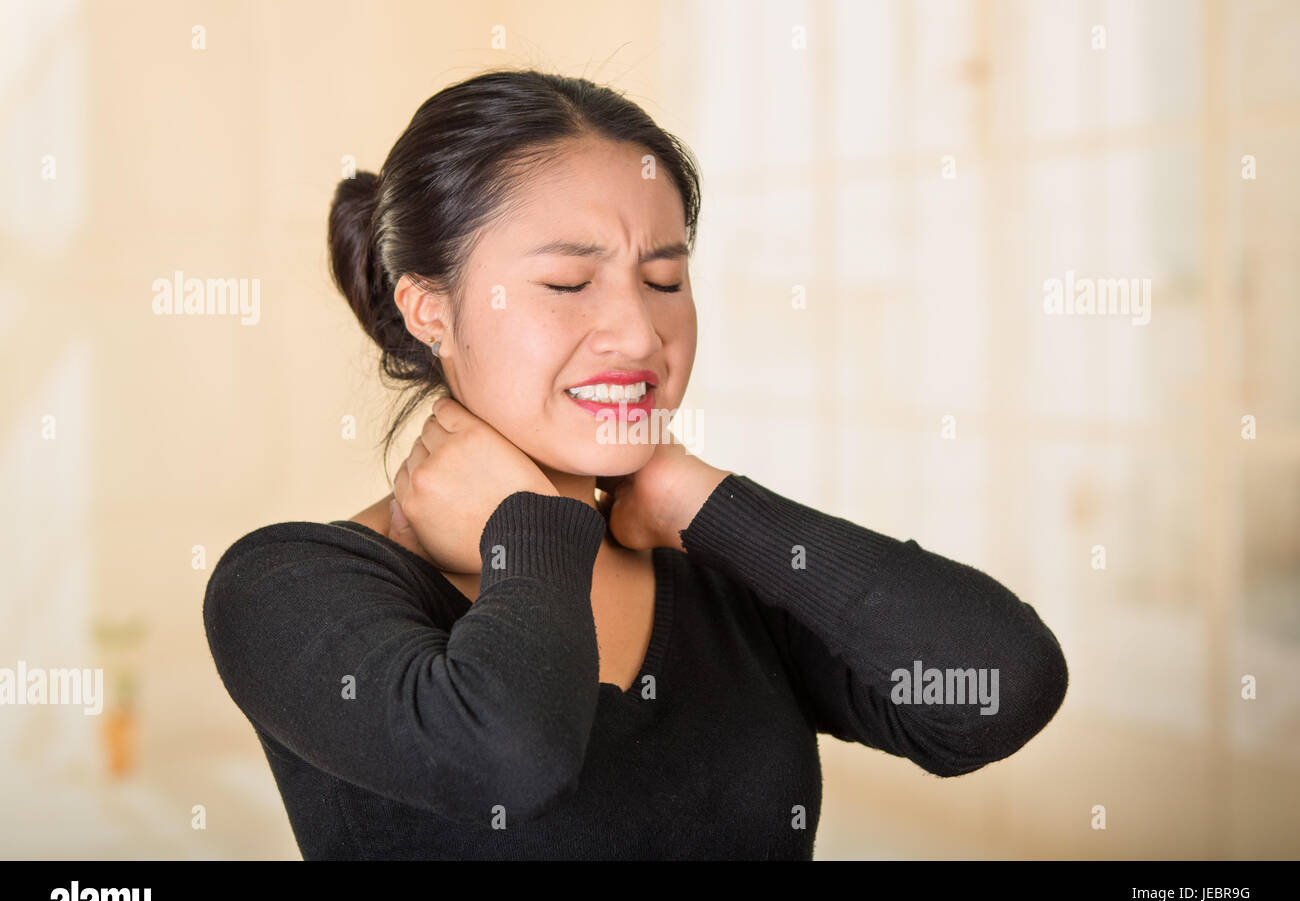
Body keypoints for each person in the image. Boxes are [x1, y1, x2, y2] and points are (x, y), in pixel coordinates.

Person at [201, 68, 1069, 860]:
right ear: (430, 308)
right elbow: (511, 757)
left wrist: (700, 500)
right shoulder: (288, 584)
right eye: (570, 285)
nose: (640, 334)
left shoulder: (712, 573)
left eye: (662, 279)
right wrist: (530, 527)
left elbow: (1000, 687)